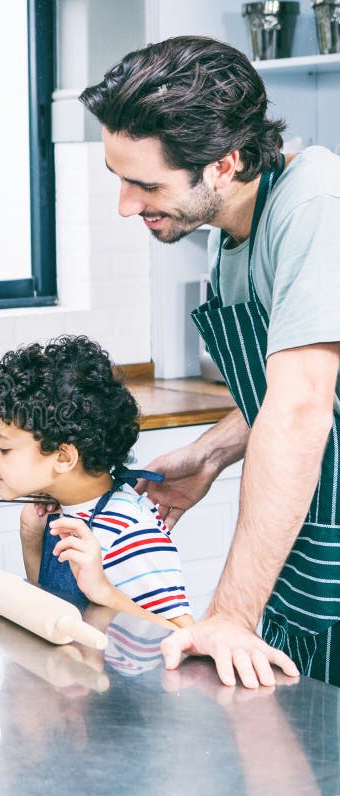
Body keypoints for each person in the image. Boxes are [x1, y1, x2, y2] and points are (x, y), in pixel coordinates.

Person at [78, 35, 340, 687]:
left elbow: (304, 404)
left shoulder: (314, 204)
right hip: (308, 551)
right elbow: (294, 394)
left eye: (144, 184)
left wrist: (230, 613)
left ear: (223, 164)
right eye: (120, 179)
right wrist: (213, 454)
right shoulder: (232, 239)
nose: (126, 205)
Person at [0, 335, 193, 628]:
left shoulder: (129, 530)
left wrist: (103, 591)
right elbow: (51, 609)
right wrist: (31, 540)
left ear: (64, 457)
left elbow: (183, 634)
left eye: (3, 447)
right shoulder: (64, 509)